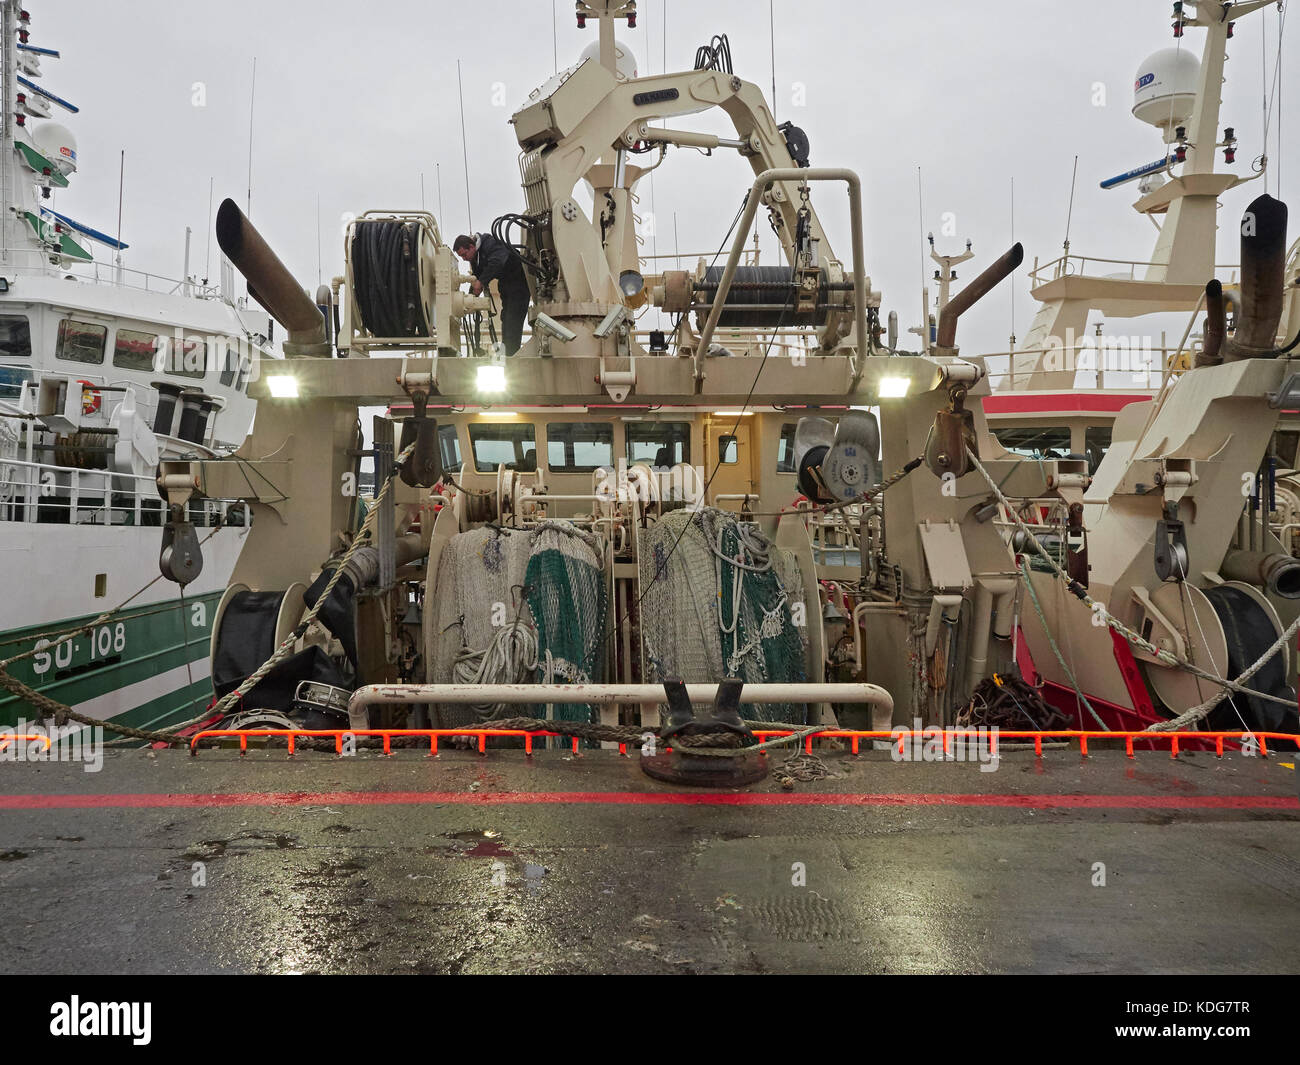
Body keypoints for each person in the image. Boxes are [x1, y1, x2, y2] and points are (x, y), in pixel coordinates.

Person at [453, 233, 530, 356]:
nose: (464, 258)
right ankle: (508, 354)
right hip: (506, 285)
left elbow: (497, 262)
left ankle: (511, 356)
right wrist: (469, 298)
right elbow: (477, 277)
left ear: (472, 246)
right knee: (506, 318)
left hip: (518, 282)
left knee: (512, 319)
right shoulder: (476, 257)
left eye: (464, 254)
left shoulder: (490, 243)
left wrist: (481, 282)